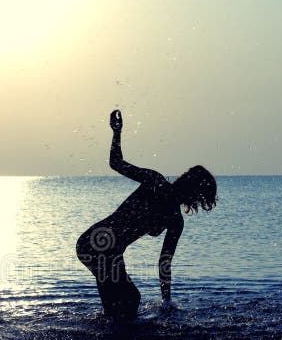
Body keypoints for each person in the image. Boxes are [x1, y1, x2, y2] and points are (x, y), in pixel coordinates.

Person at [76, 109, 217, 321]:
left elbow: (164, 262)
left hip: (105, 249)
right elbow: (116, 163)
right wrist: (117, 132)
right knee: (130, 300)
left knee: (121, 309)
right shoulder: (155, 182)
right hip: (97, 242)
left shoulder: (175, 219)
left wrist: (166, 301)